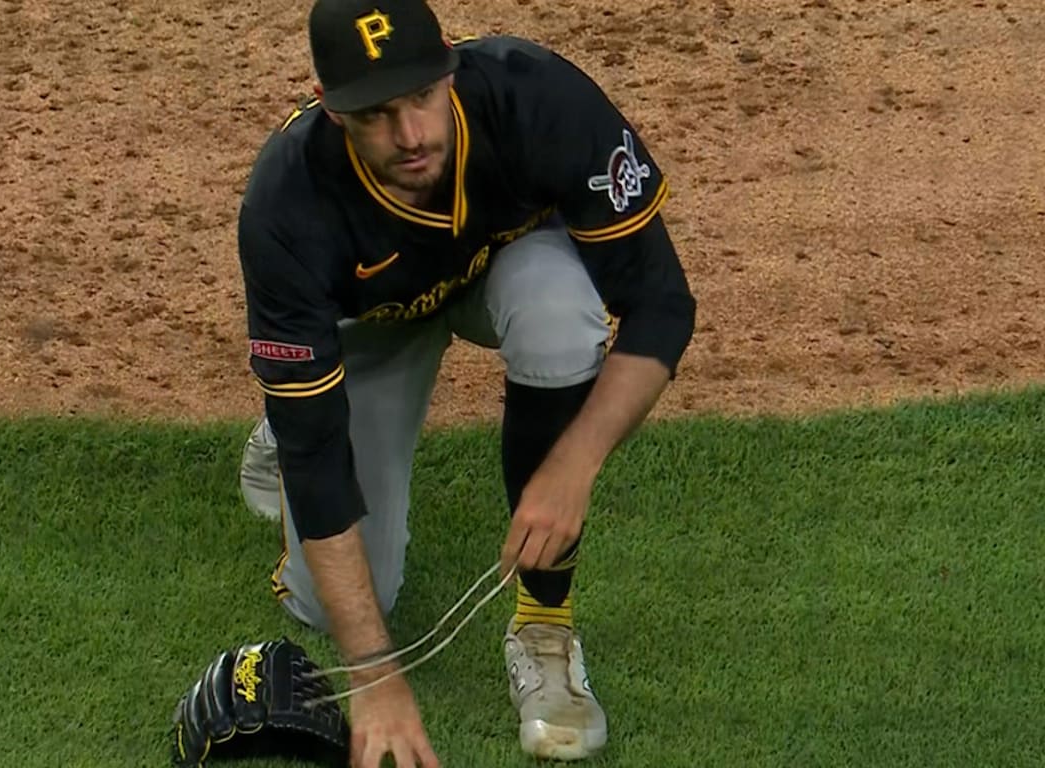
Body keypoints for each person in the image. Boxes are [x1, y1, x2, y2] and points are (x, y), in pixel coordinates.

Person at [232, 0, 697, 764]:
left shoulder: (533, 97)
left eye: (422, 97)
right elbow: (321, 467)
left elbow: (661, 303)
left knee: (559, 313)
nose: (411, 134)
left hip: (499, 269)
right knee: (343, 604)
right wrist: (375, 676)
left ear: (449, 64)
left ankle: (545, 631)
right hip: (372, 323)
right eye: (378, 114)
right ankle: (295, 408)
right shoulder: (287, 204)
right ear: (331, 110)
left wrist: (571, 467)